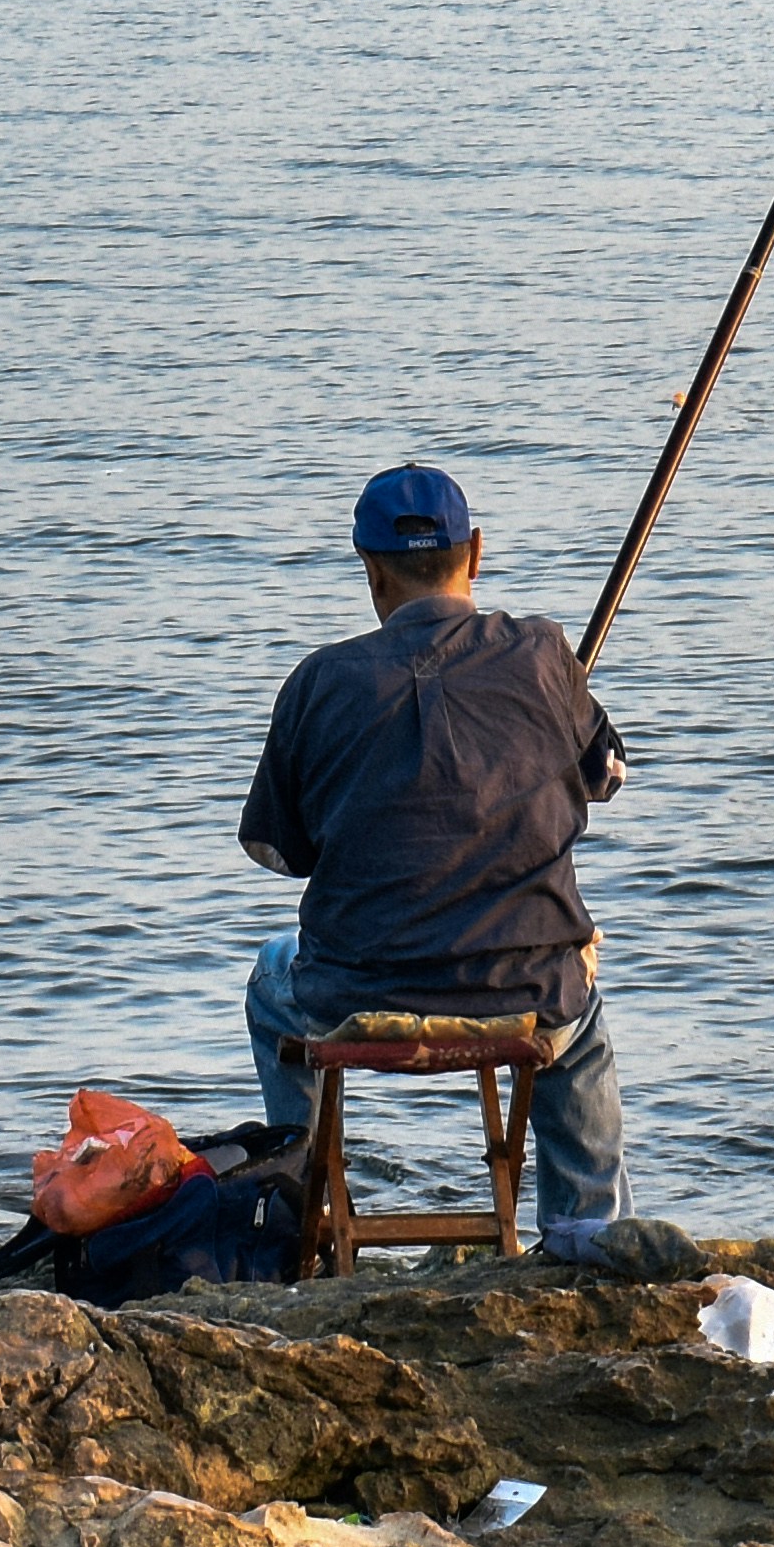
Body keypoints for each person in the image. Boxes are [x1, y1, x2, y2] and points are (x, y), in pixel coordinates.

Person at [238, 462, 668, 1262]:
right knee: (579, 1021)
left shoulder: (317, 682)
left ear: (368, 567)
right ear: (476, 550)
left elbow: (277, 852)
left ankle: (305, 1201)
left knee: (272, 975)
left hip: (355, 994)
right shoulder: (542, 652)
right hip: (526, 993)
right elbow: (607, 777)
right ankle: (584, 1226)